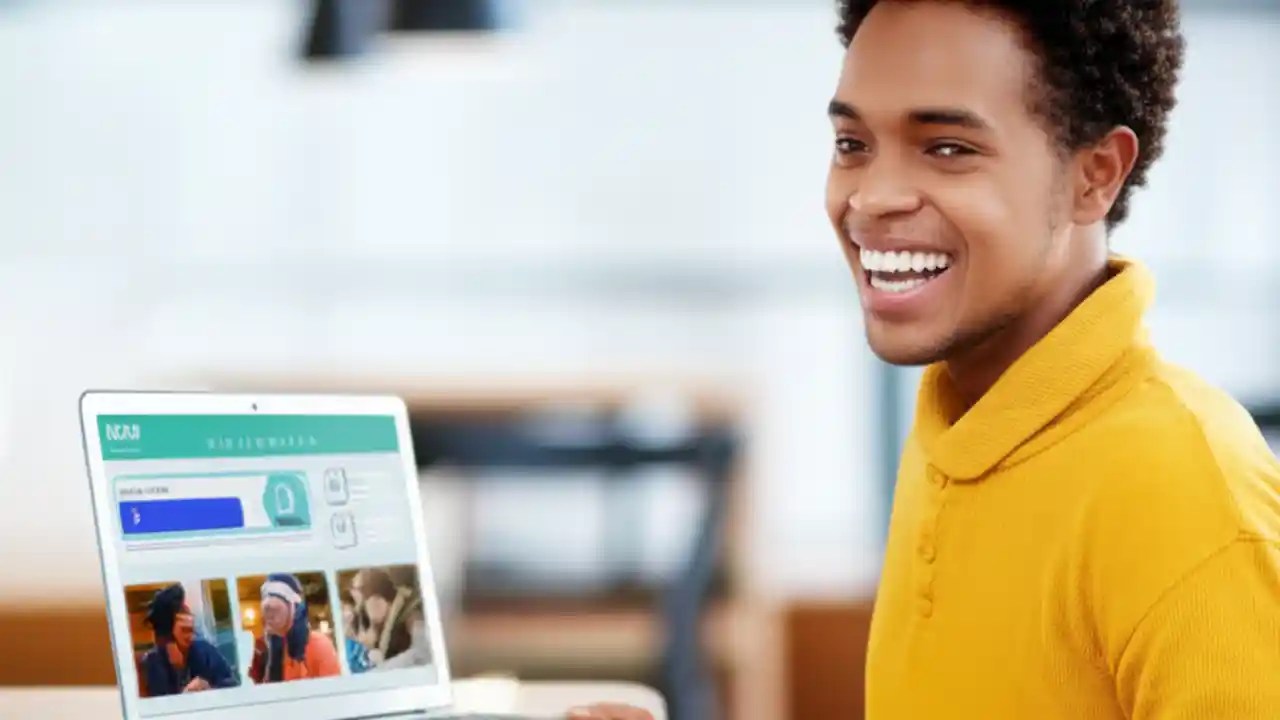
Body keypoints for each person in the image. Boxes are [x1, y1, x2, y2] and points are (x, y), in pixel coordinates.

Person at [574, 1, 1280, 719]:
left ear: (1094, 174)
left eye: (948, 148)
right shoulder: (960, 418)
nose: (872, 197)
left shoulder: (1186, 491)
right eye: (852, 144)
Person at [139, 584, 237, 697]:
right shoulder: (151, 664)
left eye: (191, 630)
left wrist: (211, 688)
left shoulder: (206, 652)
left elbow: (232, 686)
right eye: (185, 630)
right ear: (167, 634)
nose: (190, 636)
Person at [248, 573, 341, 683]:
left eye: (274, 611)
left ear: (293, 608)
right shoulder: (265, 647)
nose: (267, 617)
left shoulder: (318, 645)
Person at [349, 568, 425, 668]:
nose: (366, 609)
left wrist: (383, 667)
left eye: (365, 601)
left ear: (378, 599)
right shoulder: (386, 623)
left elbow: (421, 654)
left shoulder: (411, 614)